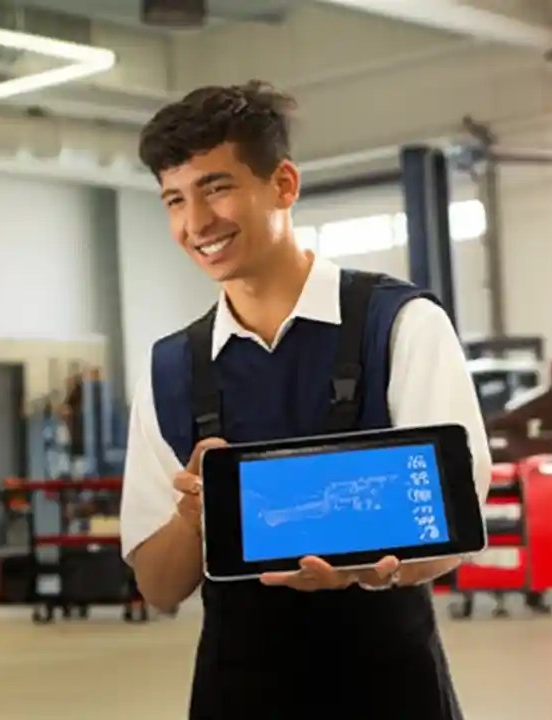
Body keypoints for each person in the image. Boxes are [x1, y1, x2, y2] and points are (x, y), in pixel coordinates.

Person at [119, 80, 493, 720]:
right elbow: (157, 587)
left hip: (390, 689)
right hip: (238, 693)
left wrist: (365, 571)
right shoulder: (171, 369)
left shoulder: (400, 325)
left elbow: (455, 529)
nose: (195, 223)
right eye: (174, 200)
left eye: (217, 187)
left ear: (284, 185)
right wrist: (193, 515)